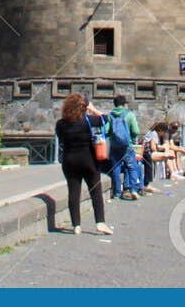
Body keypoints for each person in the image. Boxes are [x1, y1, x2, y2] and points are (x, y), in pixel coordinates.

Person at [55, 92, 112, 236]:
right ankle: (100, 223)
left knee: (73, 192)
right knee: (95, 191)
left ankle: (76, 226)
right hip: (88, 160)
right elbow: (106, 118)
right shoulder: (88, 120)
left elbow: (61, 140)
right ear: (83, 107)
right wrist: (93, 109)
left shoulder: (60, 124)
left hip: (69, 161)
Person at [104, 94, 142, 200]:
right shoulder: (129, 114)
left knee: (115, 168)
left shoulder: (110, 115)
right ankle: (133, 190)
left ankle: (117, 193)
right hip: (127, 145)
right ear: (124, 104)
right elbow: (136, 131)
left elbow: (106, 131)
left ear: (115, 104)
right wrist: (132, 137)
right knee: (132, 167)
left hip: (115, 146)